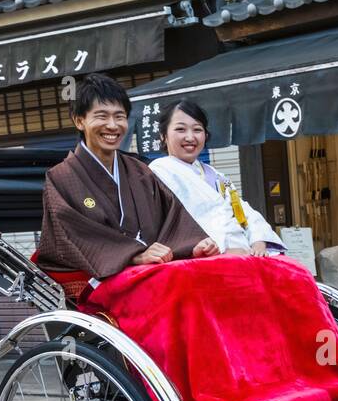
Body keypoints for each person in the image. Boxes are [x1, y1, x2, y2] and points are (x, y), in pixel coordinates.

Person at [36, 74, 217, 279]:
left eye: (119, 116)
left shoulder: (139, 171)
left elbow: (172, 216)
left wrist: (192, 243)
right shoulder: (61, 178)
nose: (113, 126)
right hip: (98, 280)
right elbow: (72, 236)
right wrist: (133, 254)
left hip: (150, 271)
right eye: (102, 116)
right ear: (79, 121)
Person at [150, 100, 285, 256]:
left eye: (197, 130)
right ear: (163, 136)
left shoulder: (215, 174)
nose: (190, 137)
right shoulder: (159, 171)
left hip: (244, 252)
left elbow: (243, 210)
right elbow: (169, 223)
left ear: (205, 135)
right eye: (180, 129)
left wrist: (258, 240)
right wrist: (218, 248)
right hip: (204, 256)